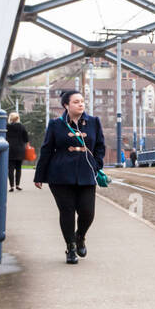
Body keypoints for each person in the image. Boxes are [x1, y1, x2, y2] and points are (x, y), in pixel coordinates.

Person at [34, 90, 106, 264]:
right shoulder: (55, 124)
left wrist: (96, 165)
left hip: (87, 174)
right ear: (66, 105)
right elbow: (46, 150)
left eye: (82, 101)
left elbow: (100, 146)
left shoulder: (94, 122)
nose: (80, 104)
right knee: (67, 212)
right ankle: (71, 247)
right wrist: (39, 175)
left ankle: (80, 236)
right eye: (76, 102)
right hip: (59, 176)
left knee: (87, 212)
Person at [5, 111, 30, 191]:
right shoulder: (21, 126)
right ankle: (18, 185)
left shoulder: (6, 126)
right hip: (20, 149)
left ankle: (11, 186)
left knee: (10, 168)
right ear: (18, 118)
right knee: (18, 168)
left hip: (10, 149)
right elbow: (26, 138)